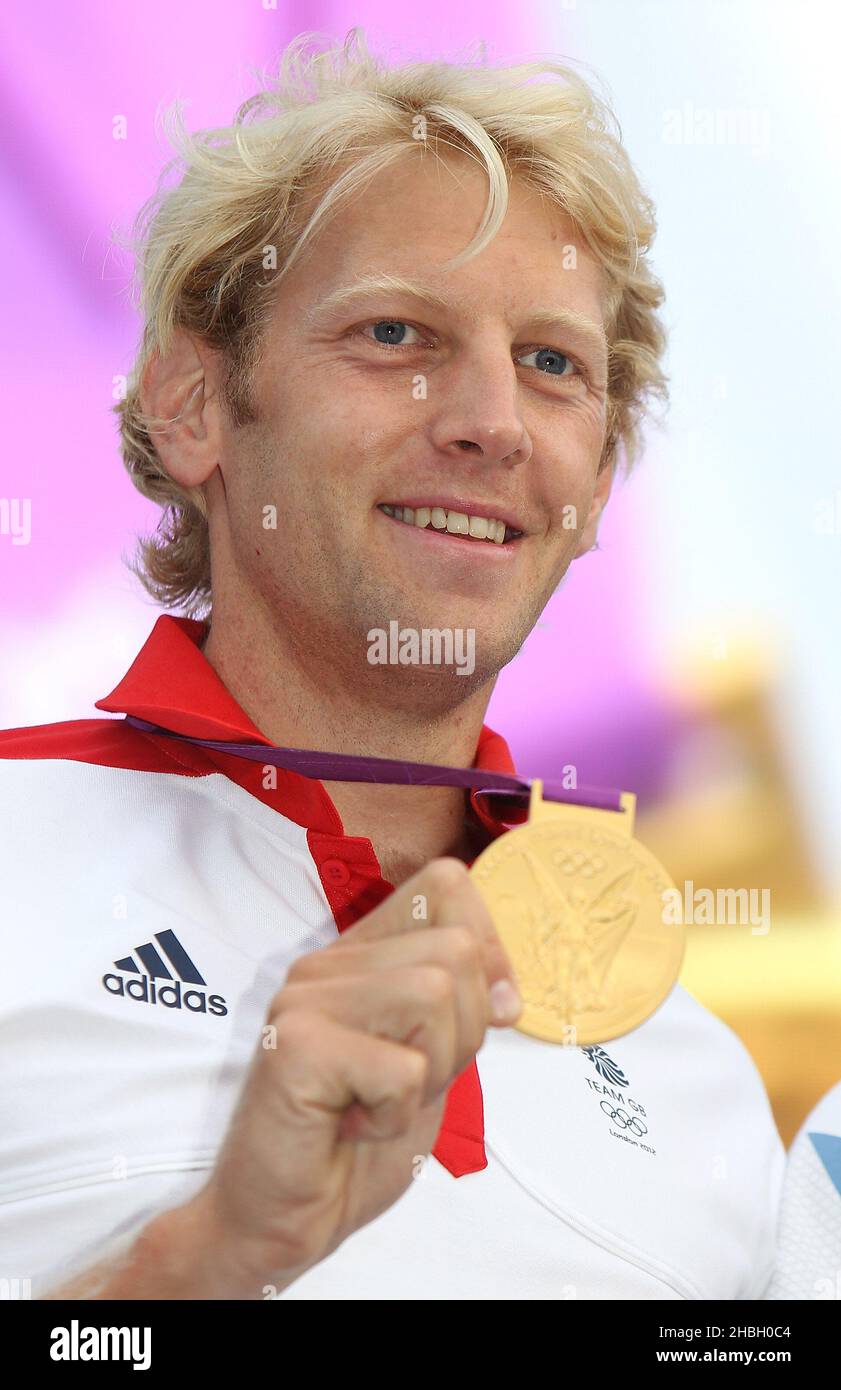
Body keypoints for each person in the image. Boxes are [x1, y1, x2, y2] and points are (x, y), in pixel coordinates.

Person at [0, 29, 784, 1300]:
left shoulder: (703, 1081)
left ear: (593, 487)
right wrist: (206, 1262)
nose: (488, 421)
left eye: (551, 365)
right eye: (393, 333)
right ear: (193, 406)